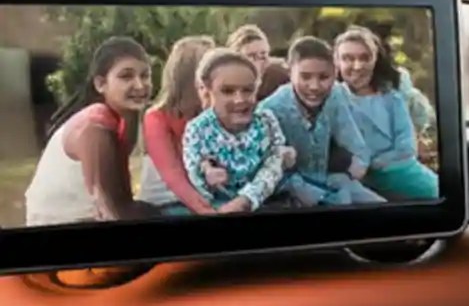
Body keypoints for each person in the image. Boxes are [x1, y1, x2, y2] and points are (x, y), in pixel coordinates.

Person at [25, 36, 158, 226]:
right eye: (126, 76)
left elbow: (122, 197)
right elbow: (111, 209)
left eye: (145, 75)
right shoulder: (95, 124)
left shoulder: (124, 119)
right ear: (100, 84)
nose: (139, 85)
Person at [258, 36, 384, 206]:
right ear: (290, 72)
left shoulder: (336, 95)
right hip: (290, 192)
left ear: (335, 73)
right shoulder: (270, 110)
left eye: (324, 77)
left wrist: (350, 171)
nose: (314, 86)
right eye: (305, 77)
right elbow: (265, 169)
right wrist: (315, 194)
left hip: (331, 182)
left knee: (383, 209)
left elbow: (355, 145)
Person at [333, 27, 439, 200]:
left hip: (401, 169)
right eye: (348, 58)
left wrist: (381, 164)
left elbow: (406, 144)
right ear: (337, 62)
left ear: (375, 60)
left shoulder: (391, 95)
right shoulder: (335, 97)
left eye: (365, 58)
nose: (357, 66)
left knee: (440, 191)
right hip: (358, 175)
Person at [182, 48, 287, 212]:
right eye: (228, 91)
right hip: (218, 207)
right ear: (208, 91)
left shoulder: (266, 120)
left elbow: (274, 167)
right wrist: (207, 171)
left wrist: (246, 199)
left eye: (248, 90)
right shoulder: (197, 129)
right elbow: (195, 172)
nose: (240, 100)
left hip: (267, 201)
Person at [137, 36, 219, 216]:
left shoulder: (212, 112)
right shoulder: (156, 117)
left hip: (207, 197)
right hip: (166, 202)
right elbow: (174, 177)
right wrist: (208, 211)